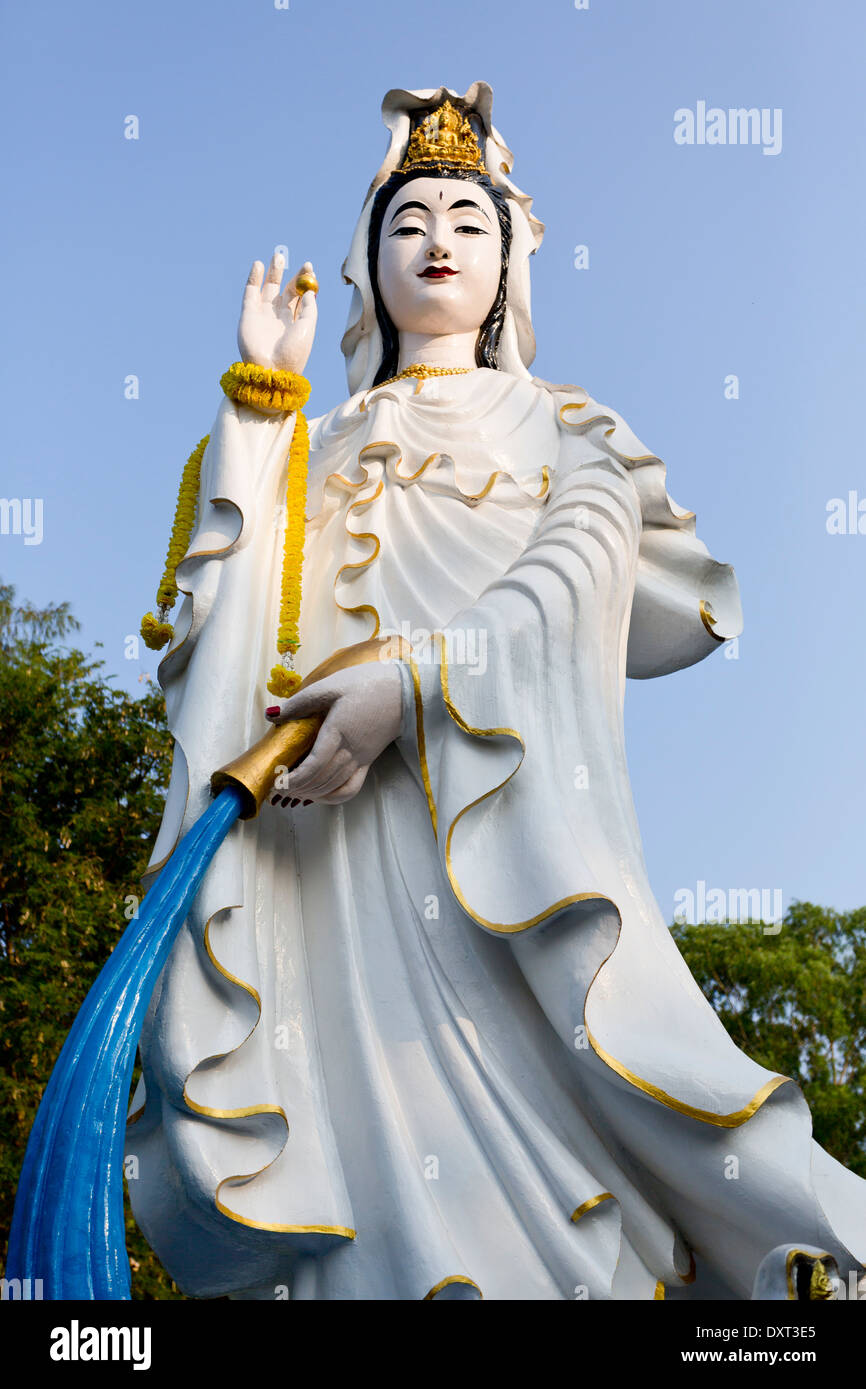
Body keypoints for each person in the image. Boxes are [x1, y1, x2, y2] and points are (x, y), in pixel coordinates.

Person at [127, 83, 866, 1301]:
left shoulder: (563, 429)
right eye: (406, 219)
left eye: (469, 221)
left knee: (558, 1103)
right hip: (327, 840)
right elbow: (228, 622)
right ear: (368, 264)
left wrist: (415, 683)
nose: (435, 241)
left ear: (512, 261)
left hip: (500, 821)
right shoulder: (316, 439)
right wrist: (259, 413)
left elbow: (574, 579)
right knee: (352, 1149)